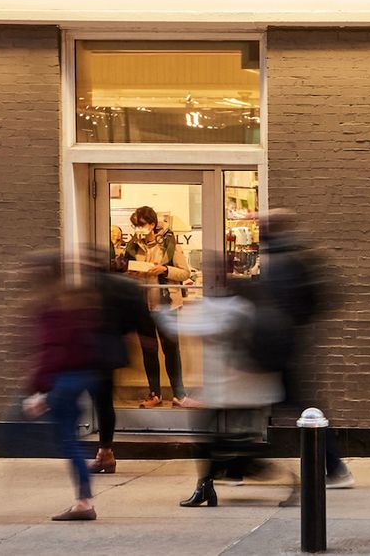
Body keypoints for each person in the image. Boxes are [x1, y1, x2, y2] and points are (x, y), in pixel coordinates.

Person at [156, 261, 282, 507]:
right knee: (218, 438)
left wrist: (159, 315)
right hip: (237, 388)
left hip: (237, 388)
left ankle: (223, 478)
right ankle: (210, 483)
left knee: (212, 439)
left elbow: (195, 327)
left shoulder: (231, 308)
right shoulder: (239, 306)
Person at [258, 210, 353, 493]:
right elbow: (323, 298)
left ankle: (335, 467)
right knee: (305, 408)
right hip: (293, 344)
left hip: (280, 348)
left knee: (300, 408)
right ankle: (334, 467)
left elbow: (279, 305)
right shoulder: (298, 255)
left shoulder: (282, 261)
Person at [20, 253, 100, 523]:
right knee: (68, 437)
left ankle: (83, 502)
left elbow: (51, 351)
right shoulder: (76, 299)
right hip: (82, 375)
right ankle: (83, 498)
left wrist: (39, 390)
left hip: (63, 379)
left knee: (67, 439)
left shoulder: (50, 305)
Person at [87, 249, 155, 475]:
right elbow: (139, 316)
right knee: (103, 401)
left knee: (96, 400)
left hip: (90, 349)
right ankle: (105, 451)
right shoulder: (126, 285)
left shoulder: (88, 285)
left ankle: (104, 454)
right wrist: (140, 337)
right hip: (110, 349)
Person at [124, 205, 197, 408]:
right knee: (149, 351)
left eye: (141, 225)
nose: (138, 229)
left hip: (167, 306)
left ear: (152, 224)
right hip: (142, 306)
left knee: (171, 349)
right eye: (135, 225)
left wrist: (164, 269)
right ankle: (154, 394)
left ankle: (179, 395)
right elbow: (125, 271)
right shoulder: (132, 246)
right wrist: (132, 273)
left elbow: (185, 273)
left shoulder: (169, 245)